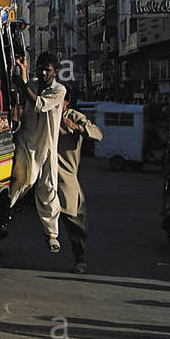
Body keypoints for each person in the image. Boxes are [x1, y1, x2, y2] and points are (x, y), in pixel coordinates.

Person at [12, 51, 66, 252]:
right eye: (41, 68)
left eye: (48, 70)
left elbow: (38, 104)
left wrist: (22, 83)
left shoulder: (59, 90)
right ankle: (6, 209)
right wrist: (23, 75)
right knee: (23, 177)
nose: (44, 73)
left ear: (55, 72)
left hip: (48, 143)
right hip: (27, 140)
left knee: (48, 187)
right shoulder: (33, 85)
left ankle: (52, 233)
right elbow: (25, 93)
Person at [56, 91, 103, 274]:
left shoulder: (74, 116)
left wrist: (77, 128)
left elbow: (97, 134)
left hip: (65, 175)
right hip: (43, 172)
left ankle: (80, 257)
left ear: (67, 102)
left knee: (75, 219)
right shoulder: (43, 114)